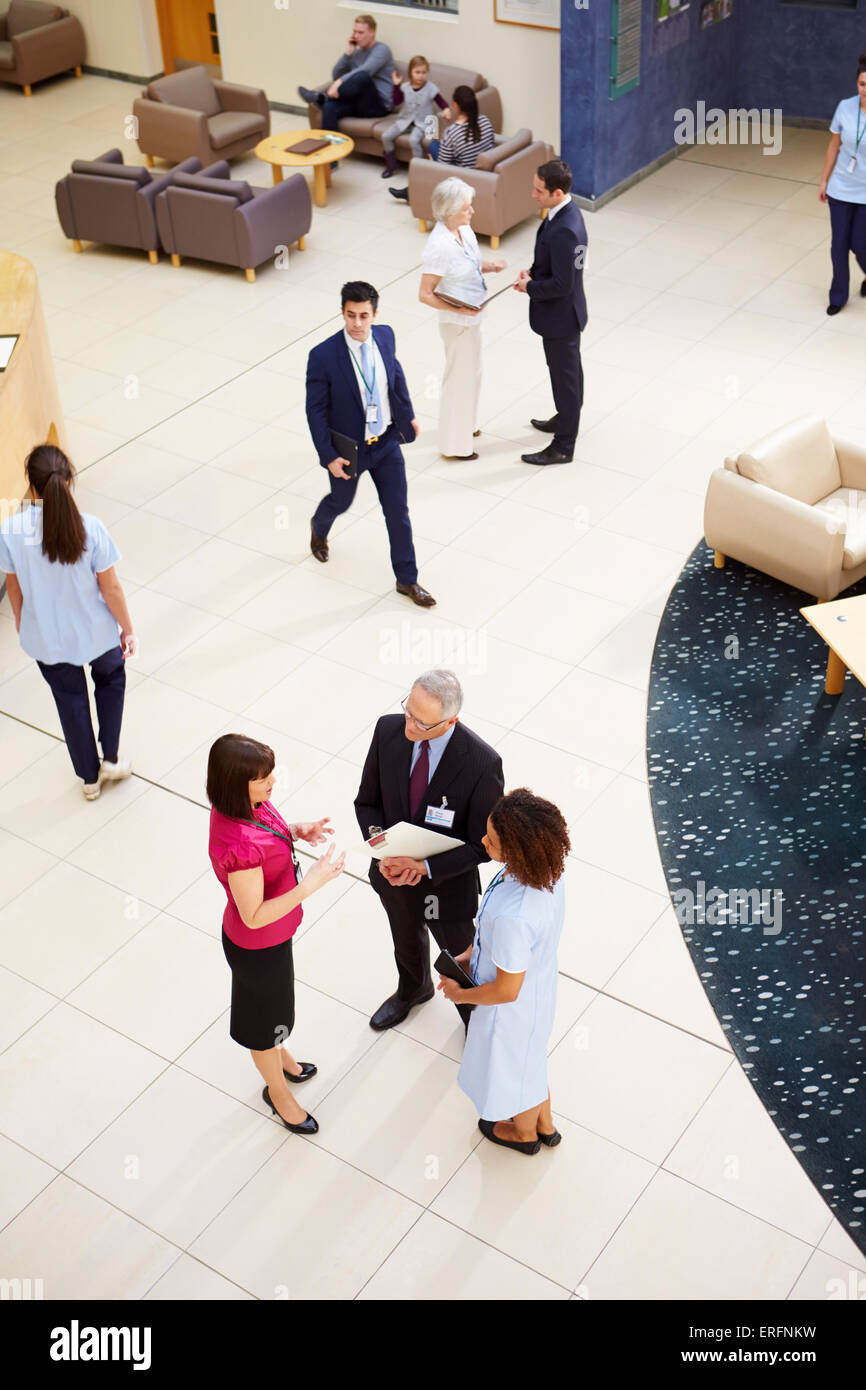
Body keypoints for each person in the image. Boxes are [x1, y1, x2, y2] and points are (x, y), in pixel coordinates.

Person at [207, 733, 346, 1136]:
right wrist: (312, 882)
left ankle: (281, 1054)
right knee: (264, 1025)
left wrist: (296, 831)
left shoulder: (245, 804)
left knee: (276, 1013)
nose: (273, 783)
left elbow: (267, 831)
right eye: (263, 778)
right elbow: (253, 915)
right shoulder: (240, 845)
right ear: (237, 783)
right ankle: (278, 1093)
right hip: (257, 944)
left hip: (273, 939)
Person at [354, 669, 505, 1033]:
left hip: (447, 885)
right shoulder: (387, 731)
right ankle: (413, 989)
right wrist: (385, 853)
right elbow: (367, 803)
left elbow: (482, 846)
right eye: (408, 710)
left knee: (461, 958)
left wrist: (424, 868)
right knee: (404, 938)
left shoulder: (482, 764)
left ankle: (476, 1020)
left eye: (421, 723)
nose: (409, 726)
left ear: (451, 720)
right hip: (392, 874)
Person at [438, 788, 569, 1156]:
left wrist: (461, 995)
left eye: (492, 841)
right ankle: (546, 1124)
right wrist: (469, 953)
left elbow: (506, 990)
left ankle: (524, 1134)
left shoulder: (516, 917)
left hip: (512, 1011)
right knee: (531, 1059)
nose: (482, 841)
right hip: (539, 989)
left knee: (515, 1071)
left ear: (517, 850)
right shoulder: (546, 870)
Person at [0, 443, 135, 800]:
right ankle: (111, 757)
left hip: (47, 640)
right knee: (110, 681)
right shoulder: (90, 528)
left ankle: (89, 780)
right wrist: (128, 628)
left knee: (69, 701)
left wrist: (23, 624)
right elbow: (111, 588)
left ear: (32, 486)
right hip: (98, 634)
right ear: (69, 480)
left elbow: (15, 590)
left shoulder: (11, 531)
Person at [306, 279, 436, 609]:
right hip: (349, 451)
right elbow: (316, 412)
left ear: (375, 314)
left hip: (386, 442)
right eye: (350, 316)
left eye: (364, 316)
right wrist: (329, 456)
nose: (357, 324)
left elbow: (395, 374)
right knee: (341, 502)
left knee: (398, 512)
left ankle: (407, 580)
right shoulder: (323, 356)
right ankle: (319, 526)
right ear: (342, 313)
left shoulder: (386, 336)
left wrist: (408, 415)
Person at [418, 177, 506, 461]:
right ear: (449, 212)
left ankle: (468, 425)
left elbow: (470, 260)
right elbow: (425, 294)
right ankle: (455, 446)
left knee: (473, 374)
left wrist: (490, 266)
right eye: (466, 208)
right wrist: (460, 311)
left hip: (473, 318)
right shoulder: (438, 246)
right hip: (457, 323)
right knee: (458, 380)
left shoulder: (463, 230)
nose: (472, 212)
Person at [514, 159, 588, 466]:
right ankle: (565, 418)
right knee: (563, 373)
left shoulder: (565, 230)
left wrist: (529, 288)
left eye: (539, 190)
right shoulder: (562, 214)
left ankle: (563, 446)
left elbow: (562, 284)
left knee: (566, 377)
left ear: (557, 192)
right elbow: (551, 263)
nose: (534, 195)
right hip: (559, 315)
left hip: (562, 316)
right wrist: (533, 273)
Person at [819, 51, 866, 316]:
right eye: (862, 84)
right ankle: (838, 296)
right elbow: (834, 145)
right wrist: (824, 180)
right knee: (839, 245)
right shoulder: (845, 107)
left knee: (860, 243)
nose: (865, 90)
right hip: (841, 187)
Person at [389, 86, 495, 202]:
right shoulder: (485, 121)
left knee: (432, 148)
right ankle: (410, 190)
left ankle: (411, 192)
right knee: (436, 146)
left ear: (455, 105)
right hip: (482, 175)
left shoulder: (452, 132)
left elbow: (442, 169)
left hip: (462, 177)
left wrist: (433, 164)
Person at [298, 13, 393, 134]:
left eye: (360, 32)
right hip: (357, 103)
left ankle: (323, 98)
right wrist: (347, 54)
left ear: (372, 32)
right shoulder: (357, 53)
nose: (356, 36)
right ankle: (331, 148)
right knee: (329, 107)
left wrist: (339, 82)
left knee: (362, 76)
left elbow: (366, 70)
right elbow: (336, 74)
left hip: (377, 106)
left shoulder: (382, 50)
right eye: (355, 32)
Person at [380, 56, 450, 179]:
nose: (420, 76)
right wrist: (396, 86)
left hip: (423, 123)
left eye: (423, 73)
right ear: (410, 73)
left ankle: (418, 170)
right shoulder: (405, 87)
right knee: (386, 136)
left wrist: (446, 109)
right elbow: (396, 102)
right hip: (404, 121)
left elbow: (440, 101)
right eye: (417, 72)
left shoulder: (430, 88)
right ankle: (391, 165)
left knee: (413, 140)